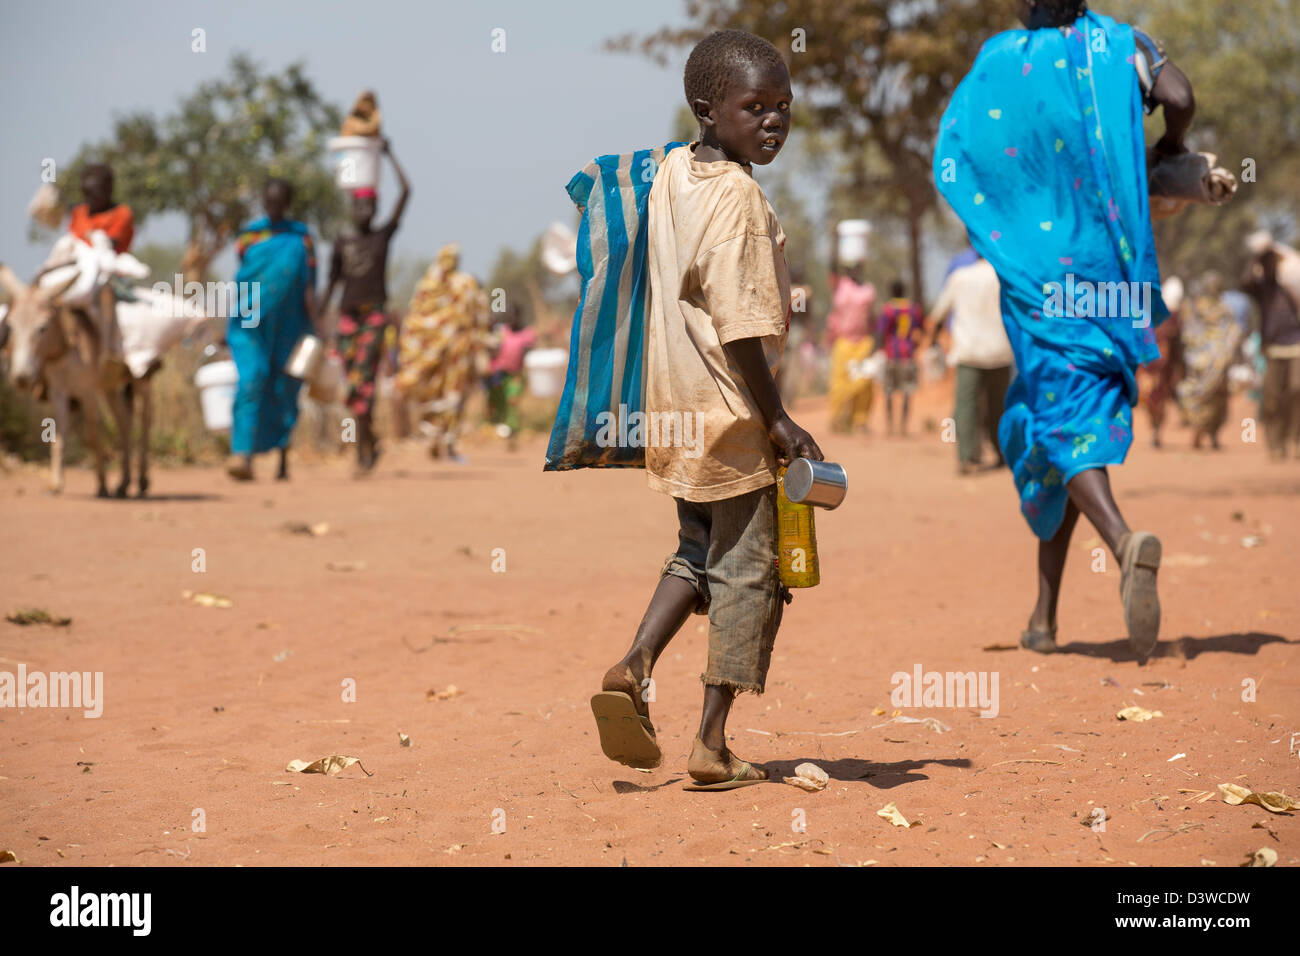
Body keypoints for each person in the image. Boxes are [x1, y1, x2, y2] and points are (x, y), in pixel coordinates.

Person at [591, 29, 822, 790]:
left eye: (782, 108)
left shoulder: (670, 177)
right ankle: (712, 746)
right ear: (706, 109)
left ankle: (633, 663)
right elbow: (745, 326)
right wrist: (779, 421)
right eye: (753, 107)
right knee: (752, 573)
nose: (773, 123)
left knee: (698, 550)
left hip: (672, 410)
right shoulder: (738, 197)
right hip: (728, 414)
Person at [934, 0, 1196, 659]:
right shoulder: (1117, 43)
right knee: (1069, 429)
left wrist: (1008, 217)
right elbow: (1180, 94)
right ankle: (1044, 618)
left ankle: (1123, 541)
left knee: (1058, 426)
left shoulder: (1000, 60)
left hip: (1042, 279)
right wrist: (1168, 148)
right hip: (1113, 271)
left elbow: (955, 154)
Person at [322, 139, 411, 474]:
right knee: (353, 386)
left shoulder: (382, 237)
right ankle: (369, 439)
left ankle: (362, 452)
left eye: (369, 207)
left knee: (362, 382)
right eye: (358, 207)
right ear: (352, 210)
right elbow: (331, 282)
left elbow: (406, 192)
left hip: (374, 315)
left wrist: (390, 155)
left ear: (375, 210)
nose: (363, 213)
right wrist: (319, 316)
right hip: (347, 317)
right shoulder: (342, 241)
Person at [226, 178, 319, 481]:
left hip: (290, 325)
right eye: (269, 202)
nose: (273, 207)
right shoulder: (249, 236)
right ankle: (242, 455)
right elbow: (246, 274)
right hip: (250, 323)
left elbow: (308, 284)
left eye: (279, 202)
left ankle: (282, 457)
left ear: (287, 203)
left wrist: (316, 327)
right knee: (252, 379)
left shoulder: (301, 238)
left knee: (285, 388)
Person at [394, 244, 491, 462]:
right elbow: (480, 317)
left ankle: (442, 441)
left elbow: (413, 320)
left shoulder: (441, 284)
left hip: (449, 353)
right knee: (447, 397)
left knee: (448, 397)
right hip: (439, 355)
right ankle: (442, 441)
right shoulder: (453, 284)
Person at [924, 254, 1013, 474]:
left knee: (966, 408)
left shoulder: (960, 277)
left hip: (968, 353)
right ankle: (1001, 453)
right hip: (1000, 352)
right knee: (998, 408)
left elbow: (937, 316)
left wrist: (932, 342)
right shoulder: (1004, 276)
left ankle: (967, 457)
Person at [67, 163, 135, 362]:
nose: (89, 199)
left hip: (109, 272)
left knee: (105, 297)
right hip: (77, 271)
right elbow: (72, 241)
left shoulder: (122, 214)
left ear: (108, 190)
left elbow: (109, 245)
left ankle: (107, 355)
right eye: (86, 193)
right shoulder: (79, 212)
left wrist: (91, 241)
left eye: (94, 193)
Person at [1242, 234, 1300, 459]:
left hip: (1296, 344)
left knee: (1297, 390)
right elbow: (1245, 284)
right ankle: (1276, 444)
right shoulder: (1261, 288)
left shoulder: (1291, 281)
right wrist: (1256, 262)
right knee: (1273, 396)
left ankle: (1296, 439)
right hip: (1273, 346)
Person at [1177, 272, 1242, 450]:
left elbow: (1232, 334)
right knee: (1202, 395)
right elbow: (1189, 333)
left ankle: (1211, 434)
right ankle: (1201, 431)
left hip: (1213, 362)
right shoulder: (1197, 308)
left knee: (1215, 398)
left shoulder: (1222, 309)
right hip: (1203, 361)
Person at [825, 238, 876, 433]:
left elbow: (873, 316)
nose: (853, 271)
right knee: (840, 382)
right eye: (850, 268)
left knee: (864, 384)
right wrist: (836, 240)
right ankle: (837, 419)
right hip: (843, 341)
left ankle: (860, 421)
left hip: (863, 341)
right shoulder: (839, 285)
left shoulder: (868, 290)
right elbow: (831, 266)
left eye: (857, 268)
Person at [1138, 276, 1185, 449]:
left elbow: (1178, 343)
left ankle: (1156, 430)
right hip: (1149, 366)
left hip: (1162, 367)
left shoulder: (1174, 317)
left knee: (1159, 399)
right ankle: (1154, 429)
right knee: (1151, 400)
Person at [485, 302, 536, 447]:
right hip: (500, 373)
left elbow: (529, 353)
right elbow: (494, 349)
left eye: (514, 315)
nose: (511, 318)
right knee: (499, 401)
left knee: (512, 400)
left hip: (517, 375)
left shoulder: (527, 334)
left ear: (519, 316)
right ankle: (500, 426)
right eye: (509, 315)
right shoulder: (502, 332)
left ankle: (512, 431)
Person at [877, 279, 923, 435]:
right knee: (907, 392)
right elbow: (920, 328)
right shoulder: (912, 309)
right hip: (908, 354)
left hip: (892, 353)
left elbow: (882, 331)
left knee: (889, 390)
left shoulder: (888, 310)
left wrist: (878, 348)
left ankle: (890, 427)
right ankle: (903, 427)